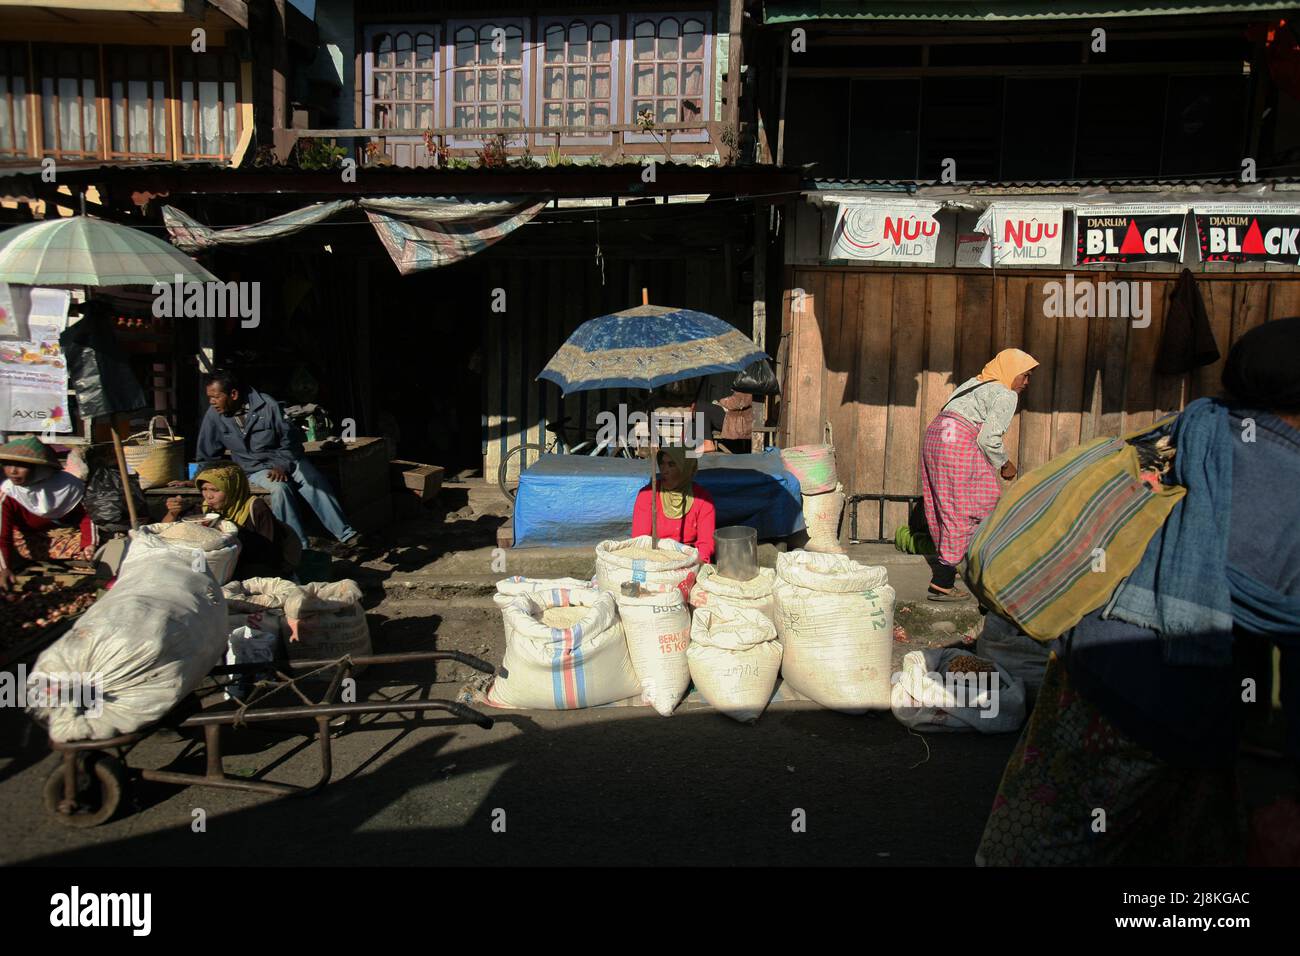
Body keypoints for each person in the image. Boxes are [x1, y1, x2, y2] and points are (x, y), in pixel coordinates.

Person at [976, 318, 1300, 866]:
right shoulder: (1282, 473)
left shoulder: (1194, 423)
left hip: (1087, 666)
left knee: (1049, 835)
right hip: (1173, 696)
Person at [920, 348, 1038, 601]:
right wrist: (1005, 464)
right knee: (971, 508)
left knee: (946, 506)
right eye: (1024, 375)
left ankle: (961, 562)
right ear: (1011, 372)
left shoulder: (975, 383)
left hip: (936, 437)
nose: (1026, 382)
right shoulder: (1005, 394)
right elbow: (988, 439)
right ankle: (943, 581)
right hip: (958, 443)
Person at [193, 370, 357, 549]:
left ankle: (347, 534)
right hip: (255, 468)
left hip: (288, 459)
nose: (212, 402)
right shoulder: (214, 415)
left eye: (215, 397)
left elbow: (291, 440)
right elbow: (207, 454)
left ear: (233, 394)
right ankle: (297, 547)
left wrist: (282, 464)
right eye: (210, 397)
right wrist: (198, 478)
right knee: (279, 489)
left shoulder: (267, 405)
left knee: (313, 481)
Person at [164, 464, 301, 581]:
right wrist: (173, 512)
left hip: (258, 566)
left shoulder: (255, 507)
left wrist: (233, 534)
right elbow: (166, 531)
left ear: (232, 489)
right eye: (204, 489)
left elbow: (268, 551)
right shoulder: (205, 509)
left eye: (215, 490)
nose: (209, 496)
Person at [0, 437, 96, 591]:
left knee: (97, 549)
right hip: (28, 540)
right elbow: (2, 535)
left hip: (65, 536)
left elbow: (88, 517)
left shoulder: (69, 486)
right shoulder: (8, 493)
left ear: (39, 468)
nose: (12, 471)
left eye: (22, 465)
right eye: (8, 465)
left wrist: (89, 544)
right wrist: (3, 569)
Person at [631, 446, 717, 563]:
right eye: (662, 463)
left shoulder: (702, 499)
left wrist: (695, 562)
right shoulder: (647, 495)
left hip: (690, 560)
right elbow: (641, 541)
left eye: (671, 465)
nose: (664, 470)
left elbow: (706, 544)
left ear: (686, 469)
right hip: (654, 559)